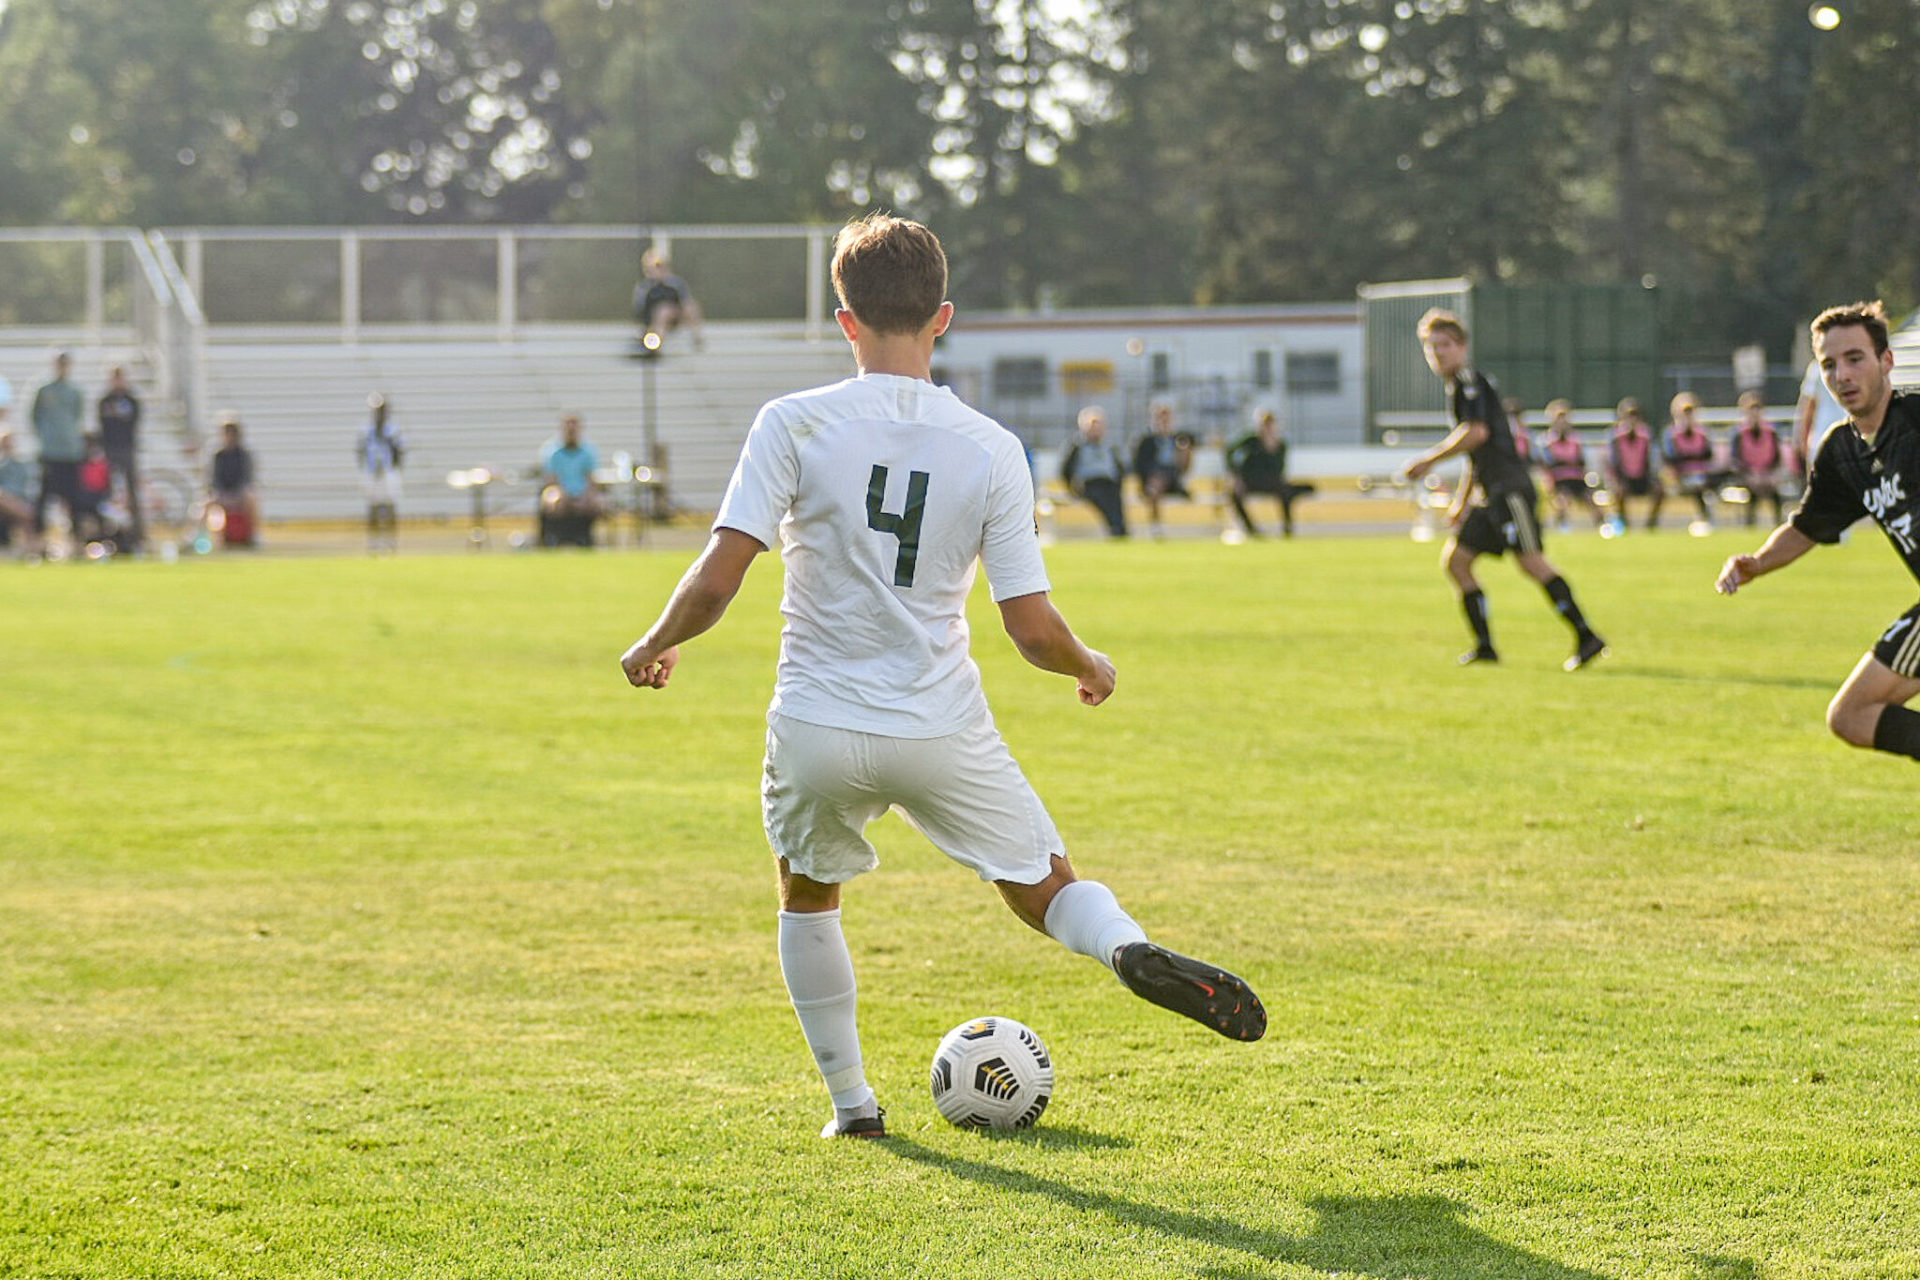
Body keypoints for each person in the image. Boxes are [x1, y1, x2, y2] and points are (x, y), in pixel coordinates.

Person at [616, 214, 1266, 1140]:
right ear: (943, 318)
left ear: (844, 319)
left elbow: (720, 576)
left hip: (818, 722)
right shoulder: (993, 446)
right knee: (1046, 887)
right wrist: (1091, 665)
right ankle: (1125, 948)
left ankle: (853, 1107)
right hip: (938, 724)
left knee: (806, 893)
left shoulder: (793, 423)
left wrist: (655, 644)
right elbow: (1031, 628)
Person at [1716, 300, 1920, 765]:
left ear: (1886, 361)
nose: (1842, 375)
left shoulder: (1916, 420)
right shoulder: (1842, 454)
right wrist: (1758, 563)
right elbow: (1808, 525)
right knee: (1851, 716)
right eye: (1829, 364)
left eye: (1855, 358)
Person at [1403, 308, 1607, 671]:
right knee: (1457, 561)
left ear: (1462, 346)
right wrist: (1462, 502)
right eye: (1431, 348)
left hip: (1509, 489)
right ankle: (1485, 647)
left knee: (1531, 562)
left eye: (1445, 345)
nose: (1438, 354)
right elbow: (1475, 453)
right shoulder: (1458, 387)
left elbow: (1477, 434)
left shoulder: (1470, 381)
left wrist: (1429, 460)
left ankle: (1587, 635)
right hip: (1490, 493)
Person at [1225, 407, 1315, 538]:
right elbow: (1230, 451)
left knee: (1286, 493)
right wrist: (1235, 475)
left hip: (1270, 481)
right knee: (1234, 495)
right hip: (1250, 480)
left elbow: (1280, 468)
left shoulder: (1281, 445)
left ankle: (1287, 529)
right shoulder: (1251, 440)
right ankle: (1252, 531)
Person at [30, 351, 87, 548]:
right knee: (44, 497)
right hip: (50, 452)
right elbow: (35, 417)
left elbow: (77, 417)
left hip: (71, 453)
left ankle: (76, 541)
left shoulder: (75, 391)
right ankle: (38, 542)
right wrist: (46, 438)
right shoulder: (44, 390)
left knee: (74, 498)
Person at [1058, 405, 1129, 537]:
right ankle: (1116, 528)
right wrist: (1071, 488)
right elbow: (1065, 470)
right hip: (1088, 484)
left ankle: (1119, 527)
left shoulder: (1111, 447)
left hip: (1109, 484)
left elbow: (1120, 470)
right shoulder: (1076, 447)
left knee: (1114, 496)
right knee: (1102, 495)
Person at [538, 412, 603, 547]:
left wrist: (586, 496)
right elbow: (552, 480)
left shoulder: (588, 451)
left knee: (597, 502)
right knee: (553, 499)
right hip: (560, 491)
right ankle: (553, 538)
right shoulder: (552, 451)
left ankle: (586, 538)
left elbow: (591, 478)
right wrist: (565, 496)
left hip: (581, 491)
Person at [1131, 401, 1194, 538]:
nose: (1164, 421)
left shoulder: (1179, 439)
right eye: (1160, 417)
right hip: (1154, 477)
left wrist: (1184, 452)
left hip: (1173, 477)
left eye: (1167, 418)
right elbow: (1139, 465)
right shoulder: (1146, 441)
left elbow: (1185, 467)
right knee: (1155, 485)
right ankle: (1156, 524)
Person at [97, 367, 143, 549]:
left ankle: (137, 535)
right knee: (108, 495)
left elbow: (134, 423)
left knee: (132, 494)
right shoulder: (105, 401)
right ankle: (108, 533)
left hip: (127, 449)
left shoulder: (131, 400)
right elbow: (103, 425)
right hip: (110, 451)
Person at [1541, 400, 1604, 529]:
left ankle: (1602, 525)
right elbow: (1549, 464)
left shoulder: (1577, 439)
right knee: (1562, 500)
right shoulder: (1547, 441)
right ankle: (1562, 526)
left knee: (1591, 499)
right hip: (1559, 481)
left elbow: (1581, 462)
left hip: (1577, 479)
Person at [1662, 392, 1720, 531]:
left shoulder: (1702, 433)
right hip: (1680, 477)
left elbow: (1708, 455)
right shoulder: (1671, 434)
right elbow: (1671, 459)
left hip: (1701, 475)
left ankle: (1707, 520)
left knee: (1707, 485)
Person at [1730, 391, 1787, 527]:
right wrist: (1750, 476)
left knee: (1776, 496)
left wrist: (1771, 475)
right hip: (1749, 477)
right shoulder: (1739, 434)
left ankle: (1779, 526)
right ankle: (1750, 526)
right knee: (1751, 496)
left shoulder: (1771, 433)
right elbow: (1735, 461)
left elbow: (1777, 458)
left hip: (1768, 476)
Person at [1606, 398, 1664, 532]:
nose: (1631, 420)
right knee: (1618, 491)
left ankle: (1650, 524)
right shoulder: (1615, 438)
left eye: (1634, 415)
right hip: (1624, 479)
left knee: (1659, 490)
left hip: (1642, 479)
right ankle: (1624, 523)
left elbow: (1653, 461)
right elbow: (1611, 463)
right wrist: (1614, 480)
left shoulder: (1646, 436)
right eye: (1628, 416)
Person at [632, 248, 704, 355]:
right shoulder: (644, 287)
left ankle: (697, 337)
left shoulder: (676, 283)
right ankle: (655, 344)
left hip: (675, 317)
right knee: (664, 311)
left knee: (691, 306)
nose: (657, 270)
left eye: (660, 266)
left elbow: (685, 300)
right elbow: (640, 309)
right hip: (655, 321)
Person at [357, 392, 403, 553]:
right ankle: (374, 542)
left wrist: (393, 469)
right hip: (372, 472)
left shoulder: (392, 430)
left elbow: (398, 452)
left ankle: (390, 541)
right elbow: (360, 452)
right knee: (373, 507)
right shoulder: (366, 430)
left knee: (390, 505)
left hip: (388, 472)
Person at [1793, 353, 1849, 479]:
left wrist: (1802, 440)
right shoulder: (1818, 368)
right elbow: (1808, 408)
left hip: (1822, 438)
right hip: (1830, 436)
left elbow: (1807, 408)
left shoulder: (1817, 367)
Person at [209, 415, 259, 546]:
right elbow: (214, 480)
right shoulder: (218, 456)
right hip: (222, 494)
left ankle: (254, 535)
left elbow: (246, 479)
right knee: (206, 504)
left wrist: (235, 495)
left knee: (251, 497)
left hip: (239, 495)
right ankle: (200, 536)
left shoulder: (243, 455)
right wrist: (223, 495)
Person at [0, 430, 38, 553]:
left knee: (26, 512)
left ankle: (29, 548)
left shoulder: (22, 463)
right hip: (4, 499)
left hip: (18, 500)